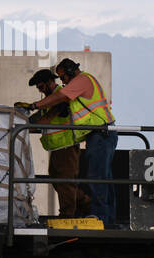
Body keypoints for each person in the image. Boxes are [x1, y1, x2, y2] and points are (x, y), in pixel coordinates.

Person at [33, 58, 116, 225]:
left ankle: (100, 217)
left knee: (96, 177)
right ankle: (105, 217)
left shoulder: (82, 80)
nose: (62, 82)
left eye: (63, 77)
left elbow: (60, 99)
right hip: (97, 134)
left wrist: (35, 105)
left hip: (100, 133)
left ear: (71, 72)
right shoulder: (78, 83)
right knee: (102, 177)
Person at [19, 68, 82, 218]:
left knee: (64, 183)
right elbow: (38, 117)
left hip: (66, 146)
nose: (40, 91)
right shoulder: (51, 99)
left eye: (41, 87)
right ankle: (84, 204)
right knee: (58, 180)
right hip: (58, 148)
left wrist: (25, 127)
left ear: (49, 82)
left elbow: (48, 117)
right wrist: (22, 121)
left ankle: (67, 215)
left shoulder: (61, 96)